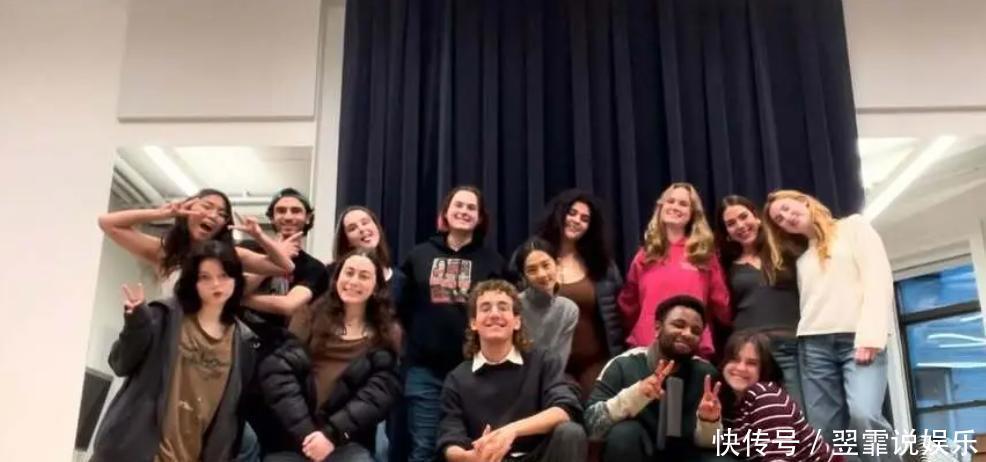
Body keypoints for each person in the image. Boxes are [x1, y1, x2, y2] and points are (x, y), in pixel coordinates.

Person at [90, 240, 258, 461]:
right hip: (136, 452)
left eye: (224, 275)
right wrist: (136, 324)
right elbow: (119, 364)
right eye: (205, 277)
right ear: (193, 281)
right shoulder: (164, 316)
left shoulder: (244, 342)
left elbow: (229, 417)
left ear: (236, 279)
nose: (216, 284)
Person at [763, 190, 898, 462]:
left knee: (864, 414)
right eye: (779, 219)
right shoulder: (803, 259)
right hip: (814, 346)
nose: (786, 217)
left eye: (787, 208)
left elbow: (878, 279)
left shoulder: (854, 227)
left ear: (804, 201)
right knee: (825, 431)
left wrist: (871, 336)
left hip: (857, 340)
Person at [247, 250, 402, 462]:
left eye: (364, 276)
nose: (353, 281)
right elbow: (278, 372)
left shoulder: (387, 334)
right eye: (349, 273)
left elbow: (377, 395)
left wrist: (330, 435)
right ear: (336, 278)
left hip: (347, 440)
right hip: (296, 436)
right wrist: (308, 435)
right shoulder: (308, 317)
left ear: (376, 287)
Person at [399, 186, 506, 462]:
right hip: (424, 371)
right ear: (445, 213)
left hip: (474, 372)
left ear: (480, 218)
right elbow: (400, 309)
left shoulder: (493, 261)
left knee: (471, 450)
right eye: (458, 205)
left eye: (471, 207)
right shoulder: (418, 255)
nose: (464, 211)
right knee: (424, 449)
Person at [437, 280, 587, 462]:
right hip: (488, 460)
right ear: (474, 324)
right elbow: (450, 441)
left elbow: (564, 409)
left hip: (538, 457)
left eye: (503, 308)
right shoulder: (456, 379)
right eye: (485, 308)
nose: (494, 314)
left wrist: (511, 431)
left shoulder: (543, 361)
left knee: (571, 432)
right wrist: (470, 457)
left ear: (517, 322)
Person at [585, 295, 732, 462]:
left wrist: (708, 422)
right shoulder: (624, 365)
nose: (687, 334)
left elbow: (713, 445)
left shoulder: (706, 374)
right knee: (624, 433)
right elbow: (592, 425)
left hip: (687, 456)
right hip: (639, 453)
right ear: (657, 328)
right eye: (679, 325)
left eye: (695, 331)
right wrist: (634, 396)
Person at [523, 189, 624, 398]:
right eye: (572, 213)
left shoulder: (602, 264)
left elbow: (616, 318)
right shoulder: (532, 256)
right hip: (549, 364)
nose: (577, 221)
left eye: (585, 219)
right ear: (559, 214)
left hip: (594, 363)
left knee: (600, 412)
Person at [97, 188, 297, 294]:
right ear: (188, 209)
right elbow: (107, 223)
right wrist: (161, 213)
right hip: (172, 337)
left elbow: (285, 267)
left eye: (221, 214)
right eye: (207, 207)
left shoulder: (231, 255)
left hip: (214, 343)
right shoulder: (165, 251)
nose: (213, 215)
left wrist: (260, 236)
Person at [618, 183, 730, 360]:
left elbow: (721, 303)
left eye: (683, 204)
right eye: (670, 201)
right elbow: (628, 304)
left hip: (691, 347)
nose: (675, 207)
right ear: (661, 207)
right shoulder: (645, 255)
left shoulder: (703, 255)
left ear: (692, 213)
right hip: (648, 347)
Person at [330, 205, 407, 462]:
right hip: (344, 374)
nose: (362, 229)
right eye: (352, 228)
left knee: (383, 449)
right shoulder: (332, 275)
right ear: (345, 240)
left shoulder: (401, 279)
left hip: (384, 376)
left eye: (366, 222)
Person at [714, 195, 802, 405]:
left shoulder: (787, 251)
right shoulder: (725, 265)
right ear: (727, 234)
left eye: (743, 216)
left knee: (797, 411)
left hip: (791, 346)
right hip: (749, 350)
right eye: (731, 223)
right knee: (754, 412)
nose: (740, 225)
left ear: (757, 217)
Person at [714, 331, 841, 462]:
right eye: (735, 359)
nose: (741, 368)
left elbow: (778, 458)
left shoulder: (766, 397)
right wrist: (709, 419)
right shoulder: (727, 399)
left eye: (751, 363)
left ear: (763, 369)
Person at [242, 188, 329, 324]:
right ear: (272, 218)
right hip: (238, 331)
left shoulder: (314, 268)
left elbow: (288, 306)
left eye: (296, 211)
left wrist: (237, 299)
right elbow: (241, 288)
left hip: (283, 335)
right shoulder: (248, 249)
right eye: (281, 211)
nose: (288, 217)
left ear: (307, 218)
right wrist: (276, 255)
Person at [515, 237, 578, 367]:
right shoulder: (513, 306)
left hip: (553, 376)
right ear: (523, 276)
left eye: (546, 265)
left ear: (558, 264)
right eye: (532, 270)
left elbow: (559, 363)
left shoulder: (568, 310)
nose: (542, 274)